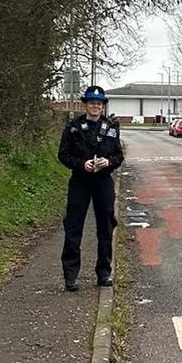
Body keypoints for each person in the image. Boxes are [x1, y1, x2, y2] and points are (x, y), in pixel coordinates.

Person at [57, 85, 124, 291]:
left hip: (103, 182)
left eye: (99, 103)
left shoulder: (111, 128)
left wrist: (108, 162)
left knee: (105, 228)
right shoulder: (73, 127)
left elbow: (118, 156)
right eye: (92, 103)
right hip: (80, 181)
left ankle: (104, 273)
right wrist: (81, 164)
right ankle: (71, 276)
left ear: (103, 106)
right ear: (85, 104)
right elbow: (63, 155)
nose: (96, 106)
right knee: (73, 227)